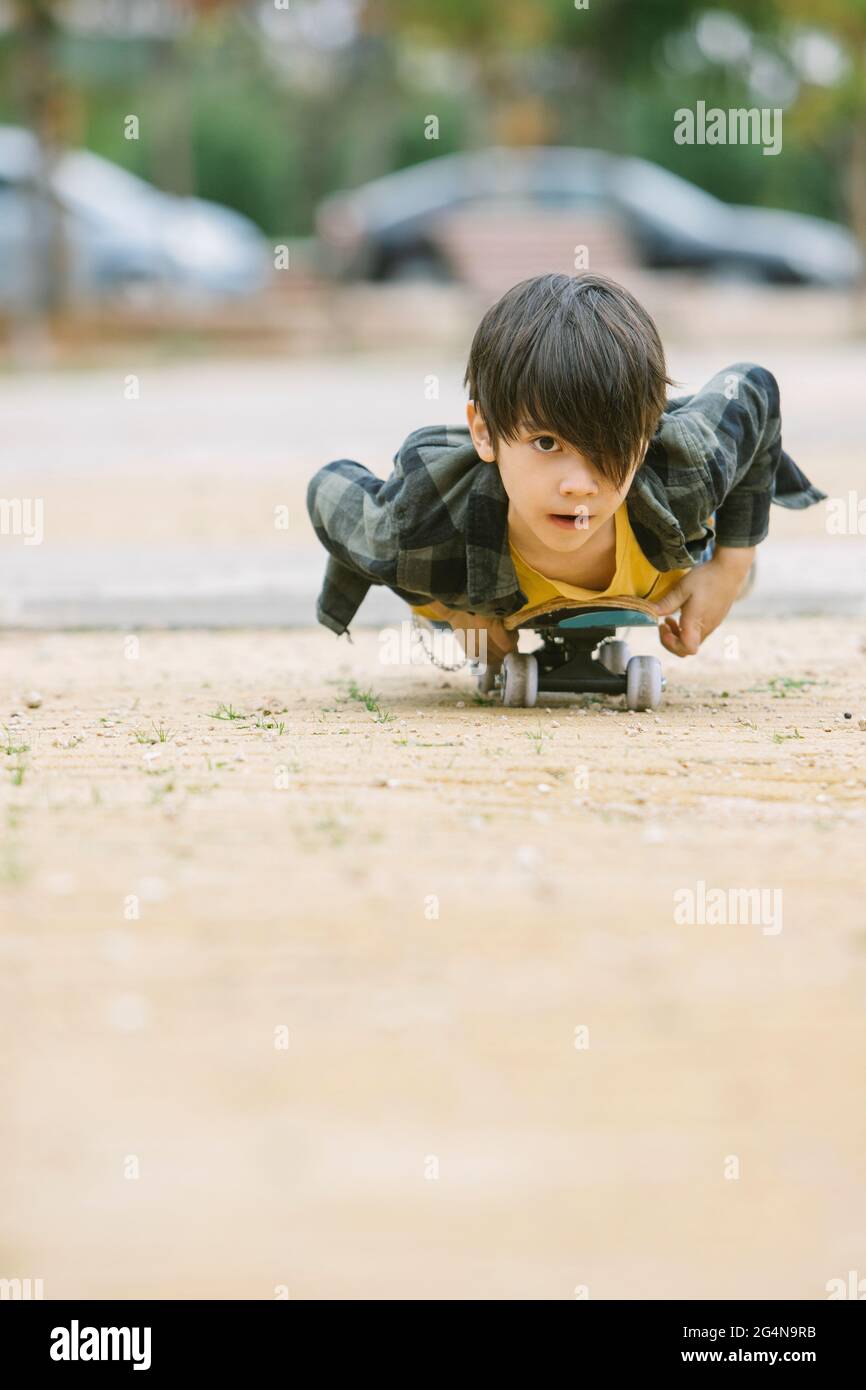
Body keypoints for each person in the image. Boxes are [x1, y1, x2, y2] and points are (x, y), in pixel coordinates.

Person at [307, 271, 825, 669]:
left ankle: (713, 554)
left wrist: (730, 568)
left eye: (607, 448)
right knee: (411, 557)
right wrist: (453, 613)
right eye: (547, 442)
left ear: (645, 438)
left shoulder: (680, 468)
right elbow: (328, 489)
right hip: (465, 556)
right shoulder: (425, 519)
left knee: (717, 545)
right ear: (483, 432)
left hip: (670, 545)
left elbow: (754, 389)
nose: (578, 484)